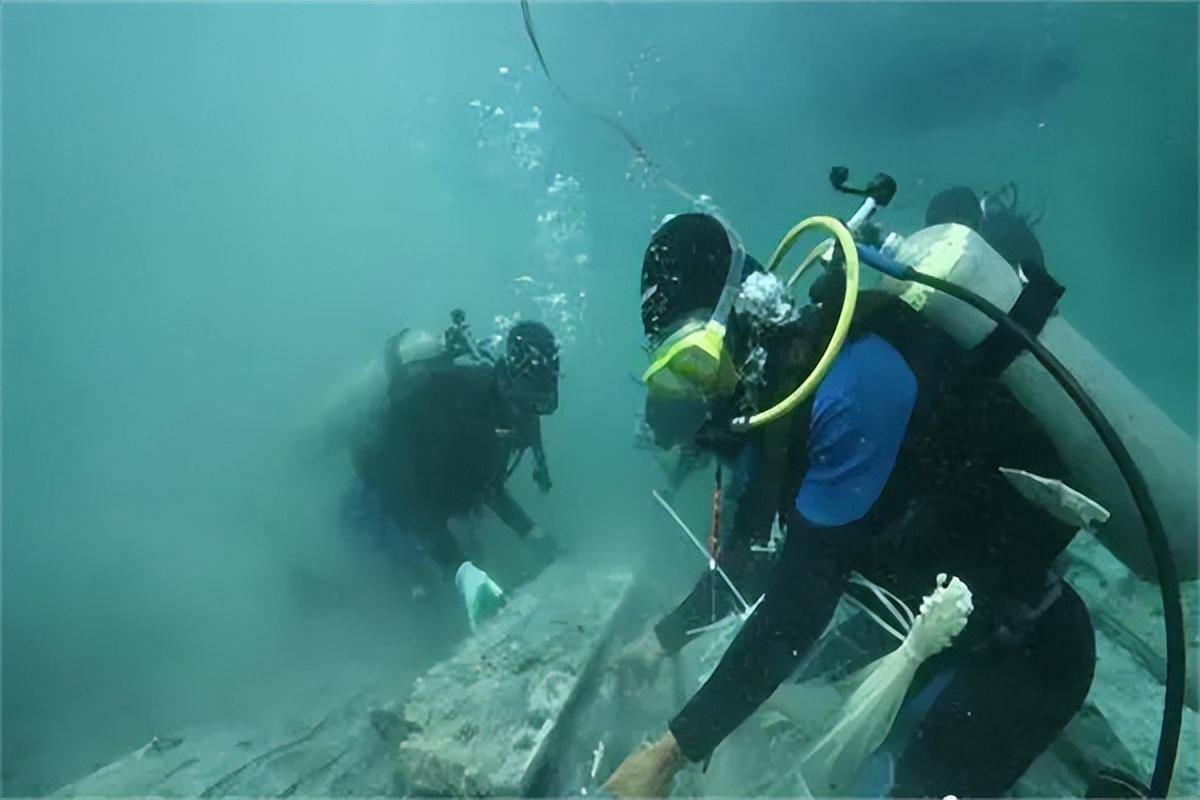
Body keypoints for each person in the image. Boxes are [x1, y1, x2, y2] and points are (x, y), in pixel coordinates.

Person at [605, 212, 1096, 798]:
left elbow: (800, 603)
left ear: (739, 316)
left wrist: (670, 752)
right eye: (677, 375)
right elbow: (751, 561)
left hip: (1020, 653)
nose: (703, 389)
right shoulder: (781, 410)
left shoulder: (854, 382)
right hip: (933, 630)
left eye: (696, 360)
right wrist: (660, 640)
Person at [321, 311, 561, 630]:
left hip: (427, 497)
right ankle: (326, 601)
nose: (531, 414)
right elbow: (407, 497)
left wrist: (531, 533)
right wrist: (458, 567)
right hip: (376, 501)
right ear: (506, 381)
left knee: (447, 576)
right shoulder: (454, 406)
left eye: (542, 405)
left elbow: (485, 484)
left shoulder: (507, 412)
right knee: (413, 599)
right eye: (528, 402)